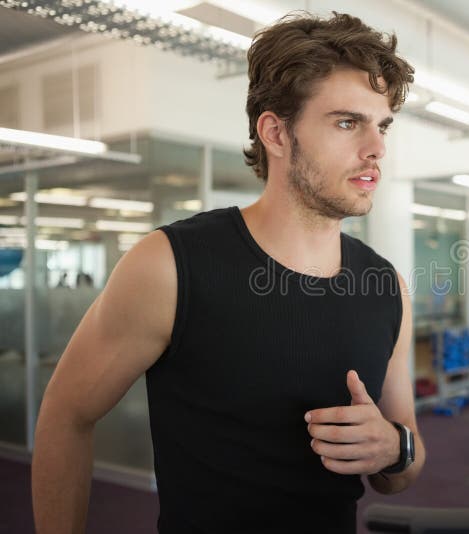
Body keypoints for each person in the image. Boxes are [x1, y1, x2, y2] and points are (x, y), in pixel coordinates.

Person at [32, 11, 424, 533]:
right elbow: (66, 415)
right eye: (347, 122)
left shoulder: (386, 287)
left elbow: (404, 468)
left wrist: (392, 446)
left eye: (382, 125)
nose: (376, 148)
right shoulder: (171, 265)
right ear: (276, 133)